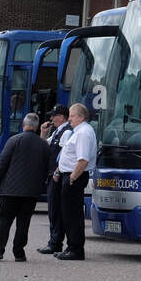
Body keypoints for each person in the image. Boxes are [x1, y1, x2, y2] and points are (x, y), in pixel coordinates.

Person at [0, 112, 50, 262]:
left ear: (23, 125)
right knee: (24, 222)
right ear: (36, 128)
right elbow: (46, 167)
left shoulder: (14, 140)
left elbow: (3, 162)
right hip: (31, 192)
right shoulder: (43, 145)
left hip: (10, 189)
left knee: (4, 221)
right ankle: (19, 252)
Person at [54, 102, 97, 260]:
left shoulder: (84, 133)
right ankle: (71, 246)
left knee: (72, 214)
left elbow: (83, 159)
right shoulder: (78, 131)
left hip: (75, 177)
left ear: (81, 117)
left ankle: (76, 249)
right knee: (67, 213)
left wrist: (71, 178)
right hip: (69, 175)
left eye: (72, 116)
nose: (69, 119)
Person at [36, 104, 71, 255]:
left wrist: (57, 172)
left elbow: (64, 154)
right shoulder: (58, 131)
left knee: (56, 209)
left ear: (62, 117)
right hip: (52, 174)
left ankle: (55, 242)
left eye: (53, 115)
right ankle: (53, 240)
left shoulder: (67, 131)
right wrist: (43, 133)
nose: (51, 118)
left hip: (58, 175)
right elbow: (44, 146)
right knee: (52, 209)